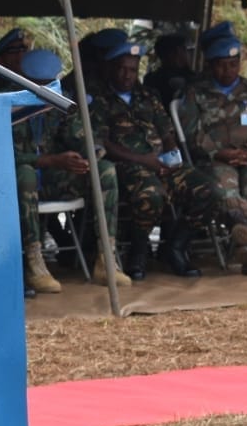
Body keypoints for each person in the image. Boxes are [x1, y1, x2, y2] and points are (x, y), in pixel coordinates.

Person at [88, 40, 217, 280]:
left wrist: (171, 157)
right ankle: (138, 251)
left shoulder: (147, 95)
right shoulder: (98, 100)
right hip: (125, 165)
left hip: (159, 163)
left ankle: (176, 247)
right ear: (110, 68)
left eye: (133, 70)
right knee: (152, 194)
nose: (128, 76)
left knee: (208, 189)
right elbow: (102, 143)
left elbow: (167, 133)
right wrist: (143, 160)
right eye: (122, 69)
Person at [13, 49, 130, 293]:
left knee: (104, 169)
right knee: (24, 173)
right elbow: (2, 155)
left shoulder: (60, 102)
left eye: (49, 84)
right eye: (39, 84)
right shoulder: (8, 105)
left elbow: (78, 136)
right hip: (17, 182)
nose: (45, 90)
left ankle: (106, 259)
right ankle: (35, 264)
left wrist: (87, 156)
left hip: (55, 176)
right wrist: (49, 160)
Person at [178, 37, 247, 274]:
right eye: (222, 64)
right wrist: (217, 151)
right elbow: (191, 133)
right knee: (223, 185)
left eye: (233, 64)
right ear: (211, 65)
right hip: (216, 159)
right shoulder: (196, 93)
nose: (228, 70)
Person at [143, 33, 196, 103]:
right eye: (184, 49)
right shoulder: (191, 78)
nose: (187, 54)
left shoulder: (150, 78)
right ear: (178, 51)